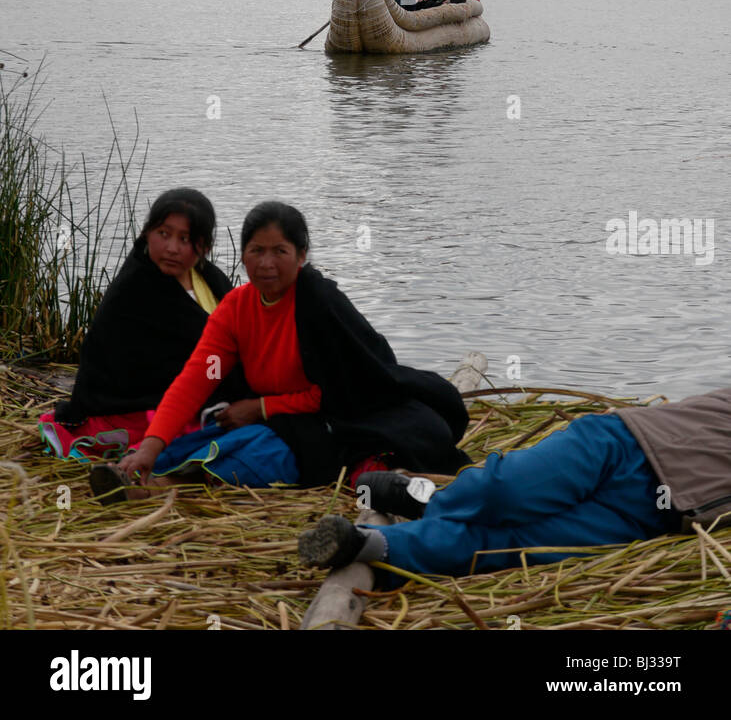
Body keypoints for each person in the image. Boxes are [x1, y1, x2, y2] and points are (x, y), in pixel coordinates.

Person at [95, 201, 470, 500]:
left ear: (302, 256)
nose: (267, 263)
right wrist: (149, 446)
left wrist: (261, 408)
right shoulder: (236, 309)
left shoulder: (320, 304)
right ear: (242, 256)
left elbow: (342, 390)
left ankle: (156, 492)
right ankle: (148, 478)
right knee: (187, 446)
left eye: (280, 251)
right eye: (256, 250)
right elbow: (198, 378)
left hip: (339, 420)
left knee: (253, 456)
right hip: (280, 423)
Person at [298, 388, 731, 578]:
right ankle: (434, 500)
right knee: (504, 491)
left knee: (518, 544)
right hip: (621, 444)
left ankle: (373, 546)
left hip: (652, 513)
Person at [38, 188, 244, 462]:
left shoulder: (207, 277)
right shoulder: (137, 288)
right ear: (147, 233)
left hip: (186, 389)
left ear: (204, 246)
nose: (172, 247)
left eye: (185, 239)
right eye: (163, 234)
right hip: (131, 402)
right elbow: (195, 357)